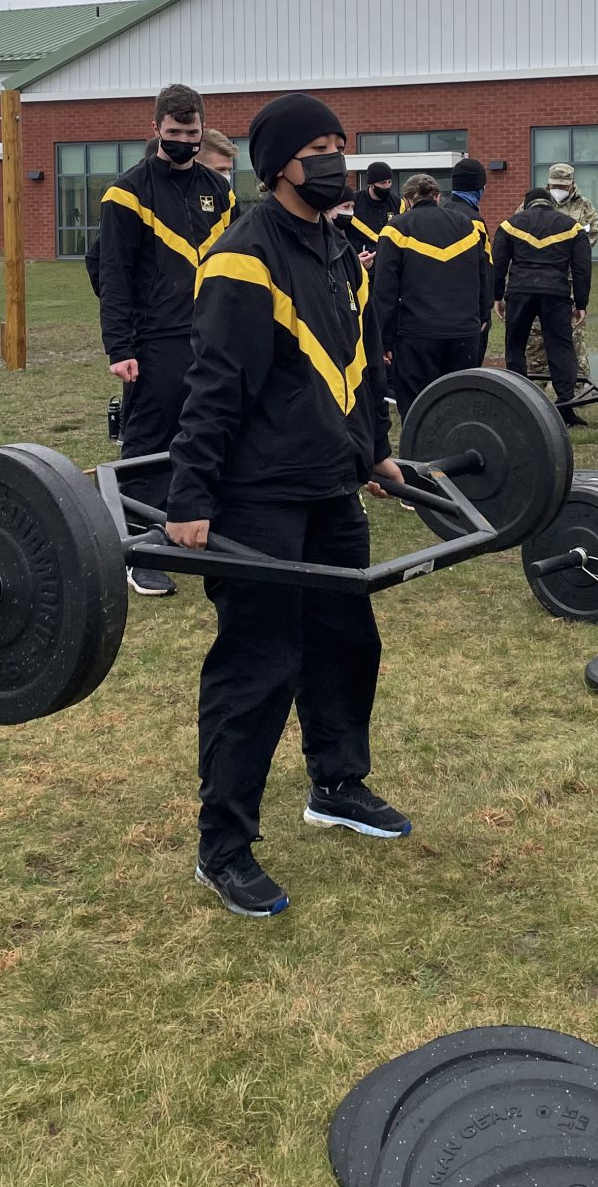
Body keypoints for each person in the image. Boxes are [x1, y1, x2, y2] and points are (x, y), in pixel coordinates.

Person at [163, 93, 409, 918]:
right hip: (257, 495)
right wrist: (191, 496)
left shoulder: (342, 247)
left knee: (346, 642)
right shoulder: (243, 257)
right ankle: (222, 846)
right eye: (318, 148)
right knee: (258, 667)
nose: (336, 158)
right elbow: (214, 386)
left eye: (342, 141)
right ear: (278, 168)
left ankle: (337, 785)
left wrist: (374, 449)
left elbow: (362, 363)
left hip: (329, 485)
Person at [95, 83, 234, 598]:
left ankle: (200, 526)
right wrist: (120, 348)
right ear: (155, 130)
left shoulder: (220, 192)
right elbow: (113, 274)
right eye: (174, 133)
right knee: (148, 446)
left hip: (212, 335)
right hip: (154, 341)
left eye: (192, 133)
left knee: (210, 432)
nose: (184, 141)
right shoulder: (126, 193)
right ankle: (139, 551)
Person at [372, 174, 493, 420]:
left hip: (418, 335)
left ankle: (422, 455)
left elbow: (385, 291)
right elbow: (483, 275)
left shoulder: (396, 229)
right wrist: (481, 316)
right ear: (437, 197)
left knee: (419, 410)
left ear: (406, 200)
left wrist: (383, 340)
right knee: (461, 403)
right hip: (463, 332)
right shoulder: (467, 225)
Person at [492, 187, 592, 426]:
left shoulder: (510, 225)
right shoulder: (571, 227)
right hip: (555, 294)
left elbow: (498, 264)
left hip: (520, 292)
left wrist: (497, 297)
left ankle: (519, 405)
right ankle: (565, 406)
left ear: (527, 205)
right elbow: (582, 268)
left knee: (515, 346)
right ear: (550, 204)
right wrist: (581, 303)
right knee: (561, 347)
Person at [525, 161, 598, 393]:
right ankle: (534, 386)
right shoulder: (533, 205)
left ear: (572, 185)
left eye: (562, 186)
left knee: (572, 336)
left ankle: (578, 389)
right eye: (554, 185)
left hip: (566, 283)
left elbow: (589, 238)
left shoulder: (584, 207)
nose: (558, 190)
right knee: (536, 337)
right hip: (536, 280)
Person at [441, 157, 493, 362]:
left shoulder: (440, 212)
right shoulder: (474, 221)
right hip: (467, 312)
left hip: (437, 311)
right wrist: (485, 312)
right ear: (479, 188)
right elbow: (486, 268)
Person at [346, 161, 398, 264]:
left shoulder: (398, 204)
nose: (387, 186)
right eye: (383, 183)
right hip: (361, 265)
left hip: (389, 266)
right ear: (371, 184)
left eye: (389, 182)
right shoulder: (353, 203)